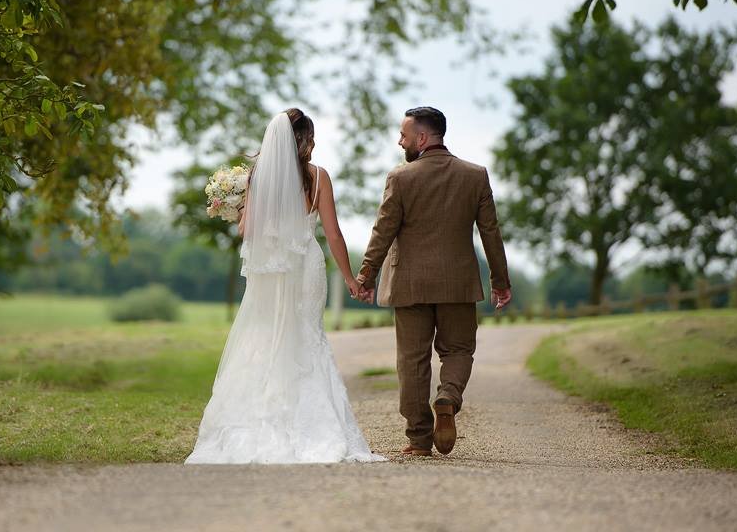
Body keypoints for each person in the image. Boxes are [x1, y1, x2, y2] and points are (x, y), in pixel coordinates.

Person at [185, 109, 386, 464]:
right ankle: (313, 425)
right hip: (304, 265)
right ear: (301, 140)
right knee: (307, 337)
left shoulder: (257, 178)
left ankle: (261, 423)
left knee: (265, 337)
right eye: (311, 136)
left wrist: (243, 207)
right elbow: (333, 233)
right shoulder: (319, 177)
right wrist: (350, 278)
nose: (315, 143)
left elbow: (246, 231)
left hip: (270, 269)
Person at [356, 106, 512, 457]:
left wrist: (367, 274)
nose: (400, 141)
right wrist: (500, 281)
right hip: (457, 283)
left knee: (412, 360)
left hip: (409, 284)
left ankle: (419, 439)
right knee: (458, 350)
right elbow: (491, 233)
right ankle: (448, 397)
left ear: (422, 138)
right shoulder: (476, 176)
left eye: (404, 135)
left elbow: (383, 231)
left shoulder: (401, 178)